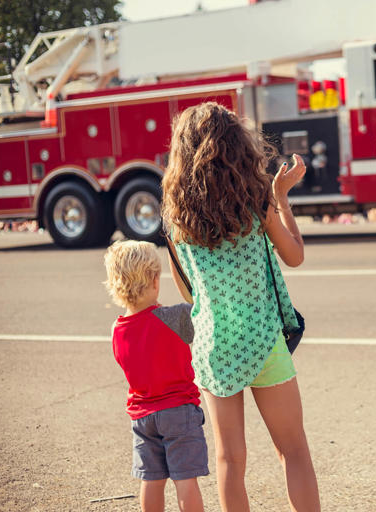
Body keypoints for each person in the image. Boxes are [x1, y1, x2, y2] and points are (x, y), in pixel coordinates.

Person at [161, 102, 320, 512]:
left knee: (230, 459)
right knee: (293, 451)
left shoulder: (177, 220)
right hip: (265, 340)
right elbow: (295, 256)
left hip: (215, 347)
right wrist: (280, 199)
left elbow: (188, 293)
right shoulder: (256, 205)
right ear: (239, 148)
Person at [103, 240, 208, 512]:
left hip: (142, 416)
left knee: (151, 479)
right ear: (153, 280)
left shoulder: (117, 329)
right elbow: (202, 310)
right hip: (179, 412)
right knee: (185, 480)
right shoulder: (175, 317)